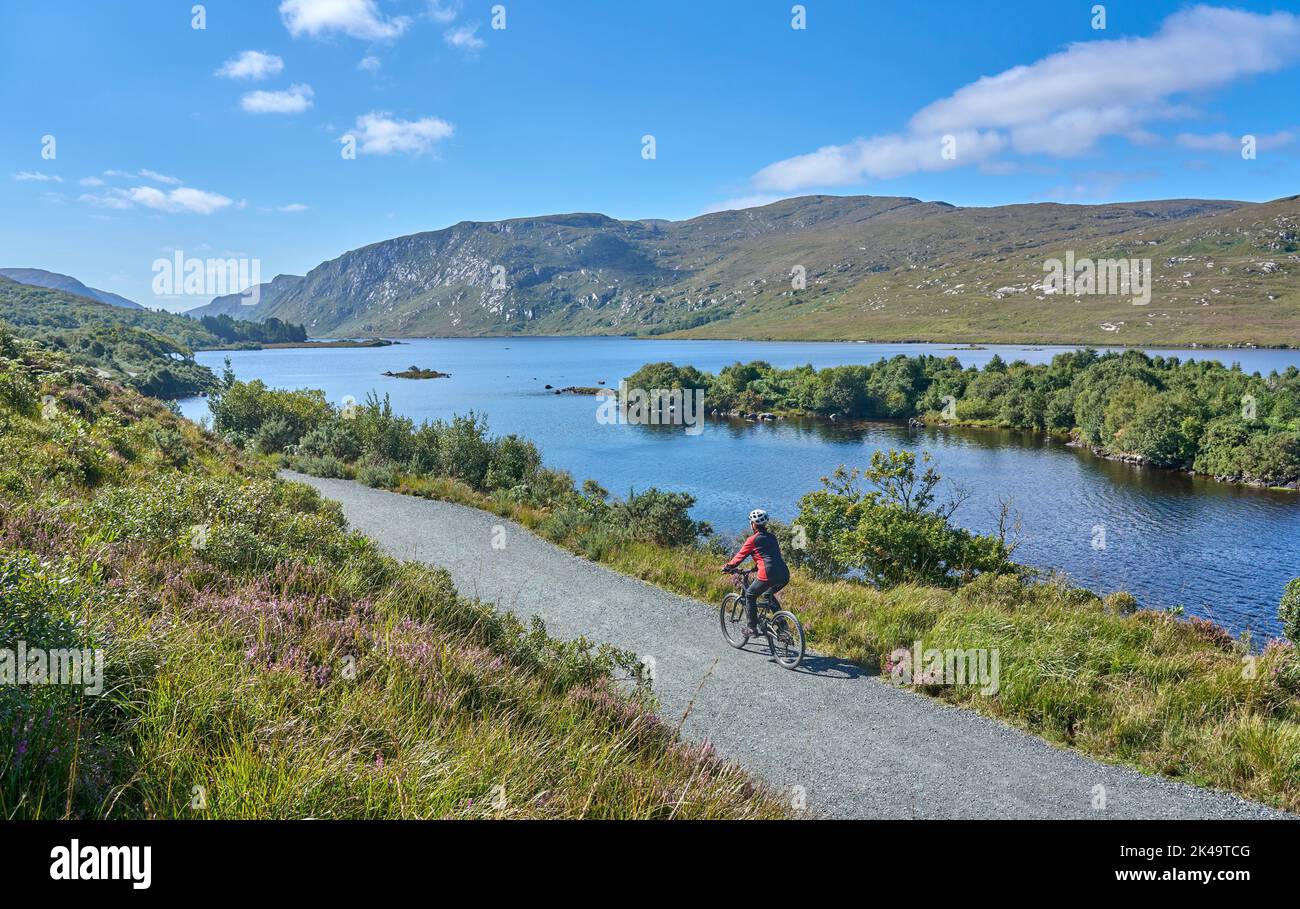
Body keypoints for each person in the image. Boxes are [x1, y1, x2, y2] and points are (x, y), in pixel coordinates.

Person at [722, 508, 790, 637]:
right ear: (764, 524)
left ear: (753, 524)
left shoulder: (752, 539)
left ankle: (752, 628)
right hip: (783, 573)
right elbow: (769, 556)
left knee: (750, 595)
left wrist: (728, 566)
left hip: (767, 574)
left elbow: (739, 557)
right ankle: (783, 626)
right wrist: (755, 568)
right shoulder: (772, 537)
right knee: (768, 595)